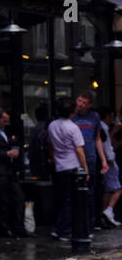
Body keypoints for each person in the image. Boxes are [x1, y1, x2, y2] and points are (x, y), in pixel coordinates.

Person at [50, 97, 89, 242]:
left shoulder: (52, 125)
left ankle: (57, 227)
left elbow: (51, 146)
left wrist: (53, 159)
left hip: (59, 166)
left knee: (61, 199)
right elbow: (79, 150)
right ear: (72, 112)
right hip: (72, 166)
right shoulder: (73, 127)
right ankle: (64, 230)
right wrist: (85, 169)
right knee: (70, 201)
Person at [0, 108, 26, 236]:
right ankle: (4, 227)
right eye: (4, 120)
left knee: (18, 198)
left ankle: (18, 226)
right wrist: (6, 154)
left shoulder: (6, 132)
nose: (6, 123)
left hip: (10, 170)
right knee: (3, 200)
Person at [72, 92, 109, 230]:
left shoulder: (94, 117)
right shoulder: (71, 116)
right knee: (75, 192)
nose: (80, 104)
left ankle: (90, 223)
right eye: (79, 101)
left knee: (90, 192)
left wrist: (103, 159)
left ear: (89, 105)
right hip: (75, 159)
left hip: (91, 158)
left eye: (84, 102)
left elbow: (97, 138)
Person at [99, 107, 121, 227]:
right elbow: (106, 144)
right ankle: (108, 210)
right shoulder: (104, 127)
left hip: (107, 160)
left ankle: (105, 213)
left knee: (108, 189)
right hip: (109, 160)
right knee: (118, 188)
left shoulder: (102, 127)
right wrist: (109, 159)